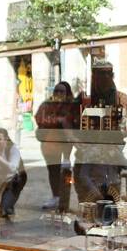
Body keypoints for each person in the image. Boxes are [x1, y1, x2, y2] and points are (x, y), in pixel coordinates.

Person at [73, 59, 127, 202]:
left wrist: (117, 135)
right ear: (93, 76)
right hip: (86, 157)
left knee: (110, 203)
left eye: (107, 74)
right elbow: (69, 124)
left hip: (110, 158)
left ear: (112, 76)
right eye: (99, 74)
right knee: (88, 204)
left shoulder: (121, 98)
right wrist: (78, 141)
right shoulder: (84, 99)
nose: (103, 77)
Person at [35, 81, 81, 210]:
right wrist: (58, 120)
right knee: (53, 170)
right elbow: (39, 118)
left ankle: (64, 199)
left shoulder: (71, 106)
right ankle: (55, 196)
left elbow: (74, 120)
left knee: (66, 170)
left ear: (67, 93)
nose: (59, 94)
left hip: (66, 143)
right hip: (50, 142)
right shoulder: (47, 104)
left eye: (62, 91)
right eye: (56, 91)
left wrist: (62, 121)